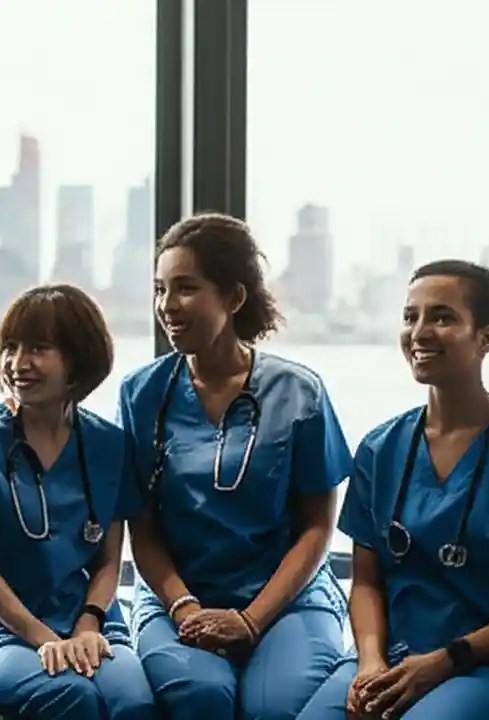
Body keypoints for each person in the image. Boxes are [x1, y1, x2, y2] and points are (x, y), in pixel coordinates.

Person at [297, 260, 489, 720]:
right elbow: (368, 581)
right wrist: (371, 661)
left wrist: (447, 659)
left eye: (442, 317)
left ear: (486, 337)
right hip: (393, 656)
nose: (419, 332)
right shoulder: (381, 448)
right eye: (410, 316)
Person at [119, 213, 352, 719]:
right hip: (178, 598)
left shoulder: (298, 392)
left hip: (287, 599)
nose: (167, 306)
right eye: (160, 289)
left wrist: (251, 619)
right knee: (200, 695)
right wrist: (184, 606)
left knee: (277, 706)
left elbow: (317, 528)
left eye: (186, 288)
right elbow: (143, 526)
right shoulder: (142, 395)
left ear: (234, 298)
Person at [0, 285, 158, 719]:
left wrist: (88, 623)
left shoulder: (109, 445)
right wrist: (44, 638)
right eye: (10, 348)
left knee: (134, 702)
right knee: (72, 696)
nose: (18, 363)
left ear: (78, 360)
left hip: (84, 619)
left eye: (39, 348)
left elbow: (109, 560)